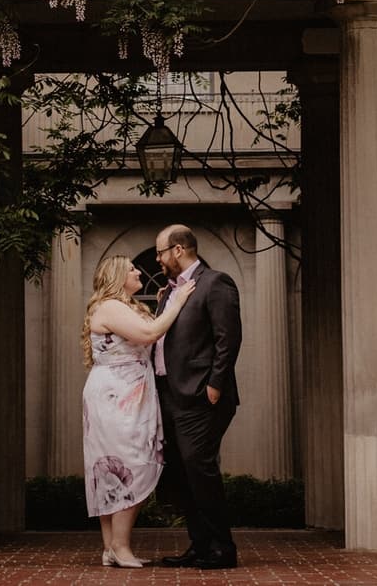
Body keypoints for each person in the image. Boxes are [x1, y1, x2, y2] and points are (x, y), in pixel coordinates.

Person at [82, 253, 193, 568]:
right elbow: (149, 335)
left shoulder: (123, 307)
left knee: (112, 469)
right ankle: (120, 546)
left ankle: (111, 549)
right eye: (131, 268)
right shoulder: (110, 307)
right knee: (131, 464)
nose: (138, 271)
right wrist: (177, 302)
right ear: (118, 276)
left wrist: (161, 306)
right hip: (117, 396)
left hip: (127, 392)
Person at [151, 223, 241, 570]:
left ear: (177, 250)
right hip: (170, 397)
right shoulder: (170, 291)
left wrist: (215, 384)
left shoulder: (215, 282)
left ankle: (223, 548)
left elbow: (227, 338)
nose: (157, 258)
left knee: (199, 469)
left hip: (202, 397)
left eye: (160, 251)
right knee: (182, 472)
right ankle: (200, 545)